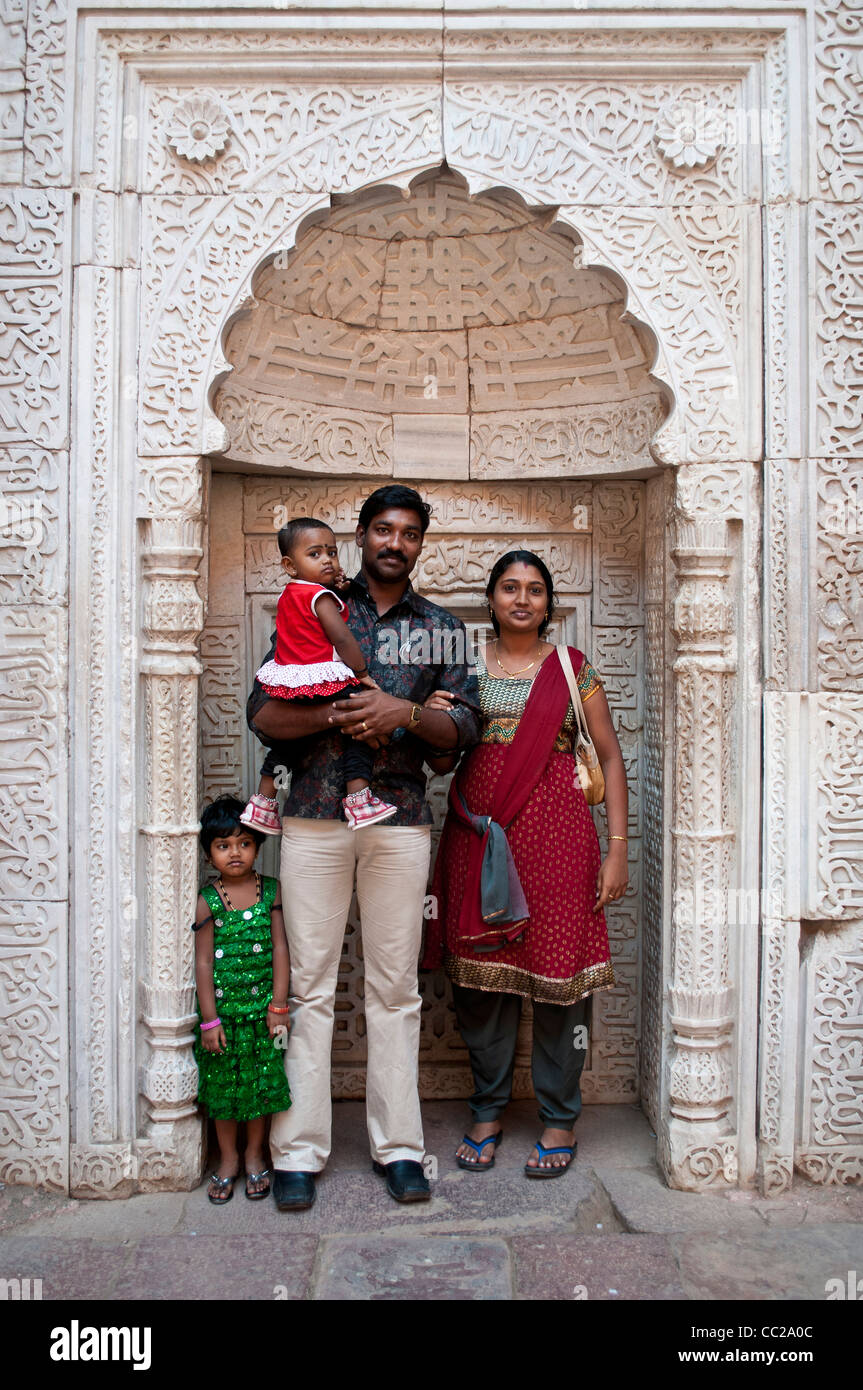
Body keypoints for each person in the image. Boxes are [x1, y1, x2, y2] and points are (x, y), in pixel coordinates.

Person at [247, 485, 481, 1210]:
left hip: (400, 823)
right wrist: (345, 712)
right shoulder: (314, 605)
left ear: (420, 544)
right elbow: (263, 715)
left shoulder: (440, 628)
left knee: (394, 990)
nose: (394, 542)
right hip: (314, 820)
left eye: (409, 533)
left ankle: (400, 1147)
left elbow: (465, 728)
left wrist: (403, 712)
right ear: (359, 534)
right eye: (382, 529)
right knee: (310, 987)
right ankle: (297, 1151)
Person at [422, 550, 629, 1177]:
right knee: (480, 984)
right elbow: (437, 765)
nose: (521, 599)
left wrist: (618, 849)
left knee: (561, 985)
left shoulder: (572, 670)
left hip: (561, 845)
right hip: (479, 841)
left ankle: (560, 1119)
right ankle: (486, 1109)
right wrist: (431, 719)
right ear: (491, 599)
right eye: (509, 588)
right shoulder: (462, 668)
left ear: (549, 603)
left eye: (535, 590)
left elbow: (612, 759)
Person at [241, 517, 396, 834]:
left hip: (291, 680)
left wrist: (338, 586)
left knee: (288, 745)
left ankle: (263, 803)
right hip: (323, 677)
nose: (327, 560)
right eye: (315, 554)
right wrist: (362, 672)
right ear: (289, 564)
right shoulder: (321, 598)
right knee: (358, 727)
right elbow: (341, 639)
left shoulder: (290, 595)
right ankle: (359, 799)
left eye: (332, 553)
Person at [192, 795, 292, 1203]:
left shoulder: (271, 892)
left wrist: (279, 1006)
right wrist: (210, 1020)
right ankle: (228, 1158)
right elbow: (202, 964)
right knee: (223, 1092)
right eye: (222, 845)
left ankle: (255, 1154)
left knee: (259, 1090)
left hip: (260, 1017)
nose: (234, 852)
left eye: (244, 843)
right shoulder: (208, 899)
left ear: (257, 846)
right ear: (209, 853)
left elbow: (282, 949)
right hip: (224, 1021)